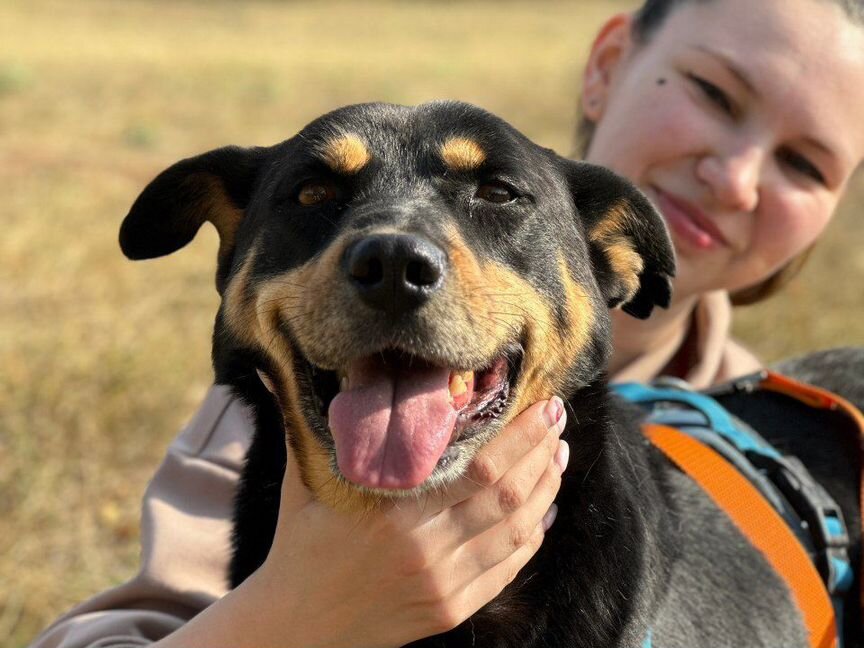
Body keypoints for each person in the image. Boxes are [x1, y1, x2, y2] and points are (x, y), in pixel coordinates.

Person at [31, 0, 864, 646]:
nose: (736, 176)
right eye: (715, 93)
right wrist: (291, 616)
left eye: (804, 162)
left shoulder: (793, 431)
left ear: (617, 263)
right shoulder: (259, 421)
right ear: (609, 63)